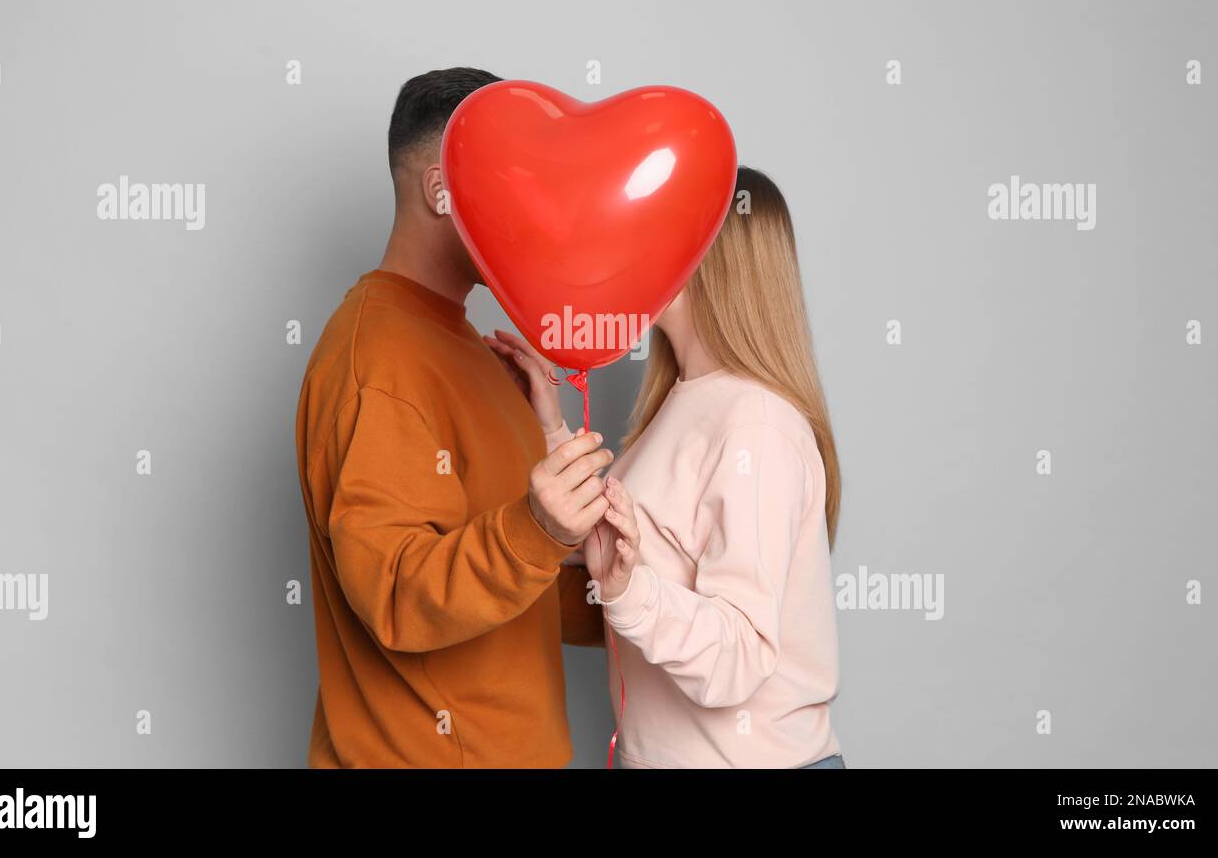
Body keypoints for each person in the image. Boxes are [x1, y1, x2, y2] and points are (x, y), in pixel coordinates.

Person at [295, 67, 609, 768]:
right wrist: (538, 528)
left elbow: (508, 593)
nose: (531, 210)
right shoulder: (376, 359)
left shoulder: (481, 352)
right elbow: (398, 594)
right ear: (442, 188)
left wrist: (634, 592)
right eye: (509, 179)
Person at [501, 165, 845, 768]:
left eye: (663, 232)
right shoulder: (684, 401)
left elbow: (740, 656)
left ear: (710, 258)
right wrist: (550, 426)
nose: (639, 251)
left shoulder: (756, 424)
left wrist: (630, 590)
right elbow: (629, 546)